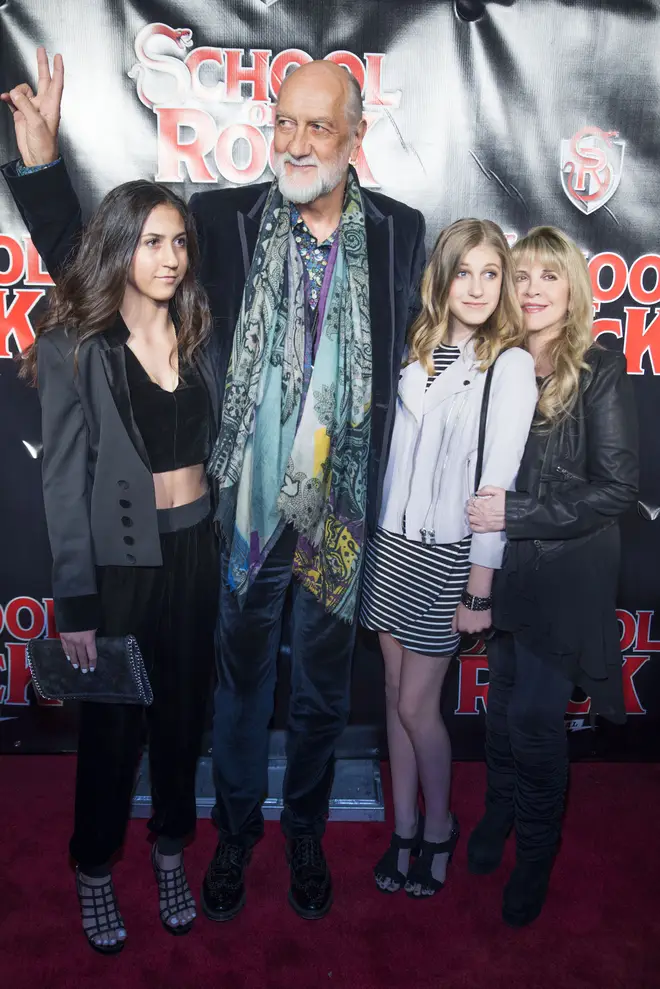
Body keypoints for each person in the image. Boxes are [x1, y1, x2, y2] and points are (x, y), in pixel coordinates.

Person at [2, 49, 426, 920]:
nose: (298, 142)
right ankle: (232, 833)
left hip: (334, 511)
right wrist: (42, 167)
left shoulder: (398, 230)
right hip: (241, 509)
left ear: (356, 134)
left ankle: (303, 827)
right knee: (235, 691)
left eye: (318, 125)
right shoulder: (220, 220)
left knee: (316, 690)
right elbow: (103, 265)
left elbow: (432, 341)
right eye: (284, 124)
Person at [19, 180, 219, 953]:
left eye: (178, 242)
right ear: (119, 248)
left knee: (181, 722)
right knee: (111, 729)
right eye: (151, 242)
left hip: (198, 551)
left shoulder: (203, 328)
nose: (170, 259)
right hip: (121, 565)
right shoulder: (77, 345)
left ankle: (170, 853)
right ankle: (94, 866)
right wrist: (76, 597)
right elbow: (62, 478)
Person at [466, 226, 639, 927]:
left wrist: (518, 511)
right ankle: (500, 812)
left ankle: (535, 850)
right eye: (524, 277)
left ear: (572, 290)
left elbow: (619, 487)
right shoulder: (500, 359)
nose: (533, 289)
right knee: (503, 708)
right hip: (511, 568)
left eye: (549, 278)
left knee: (536, 720)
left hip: (568, 573)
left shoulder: (599, 365)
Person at [360, 218, 537, 898]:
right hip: (390, 545)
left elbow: (498, 483)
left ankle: (440, 824)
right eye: (464, 271)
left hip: (447, 557)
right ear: (443, 277)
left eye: (492, 273)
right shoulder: (415, 345)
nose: (477, 286)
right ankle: (403, 827)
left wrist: (479, 588)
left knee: (416, 706)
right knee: (390, 698)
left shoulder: (510, 365)